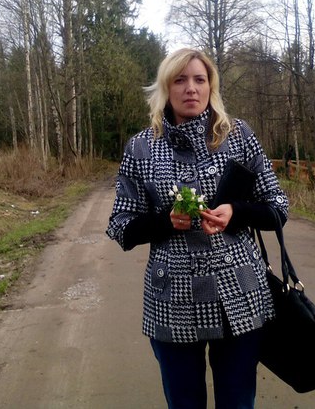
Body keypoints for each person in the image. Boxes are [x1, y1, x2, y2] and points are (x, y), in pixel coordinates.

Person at [106, 48, 288, 409]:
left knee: (238, 402)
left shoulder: (238, 135)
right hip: (172, 299)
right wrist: (165, 222)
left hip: (239, 296)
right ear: (166, 88)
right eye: (180, 80)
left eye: (200, 79)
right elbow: (121, 227)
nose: (191, 88)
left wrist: (236, 212)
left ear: (210, 87)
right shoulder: (141, 147)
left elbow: (278, 207)